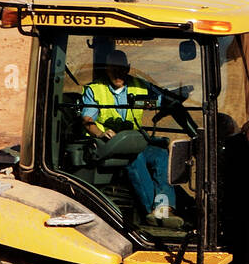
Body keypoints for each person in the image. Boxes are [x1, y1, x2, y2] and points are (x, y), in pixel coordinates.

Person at [81, 50, 191, 225]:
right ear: (106, 69)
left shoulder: (139, 86)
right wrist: (102, 133)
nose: (117, 73)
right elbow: (88, 120)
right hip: (108, 145)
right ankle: (152, 213)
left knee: (161, 156)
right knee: (135, 158)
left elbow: (162, 99)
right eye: (113, 68)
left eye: (121, 68)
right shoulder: (95, 90)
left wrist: (179, 94)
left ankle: (164, 209)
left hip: (135, 141)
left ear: (128, 68)